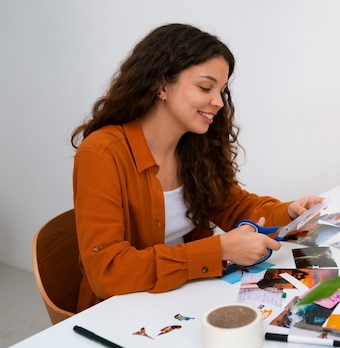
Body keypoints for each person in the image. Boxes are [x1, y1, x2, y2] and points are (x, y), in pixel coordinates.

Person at [70, 23, 324, 312]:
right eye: (205, 87)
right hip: (117, 313)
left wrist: (290, 213)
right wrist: (219, 250)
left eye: (222, 90)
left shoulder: (193, 147)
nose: (217, 102)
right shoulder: (102, 154)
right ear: (161, 85)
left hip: (178, 300)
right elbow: (108, 272)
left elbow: (233, 205)